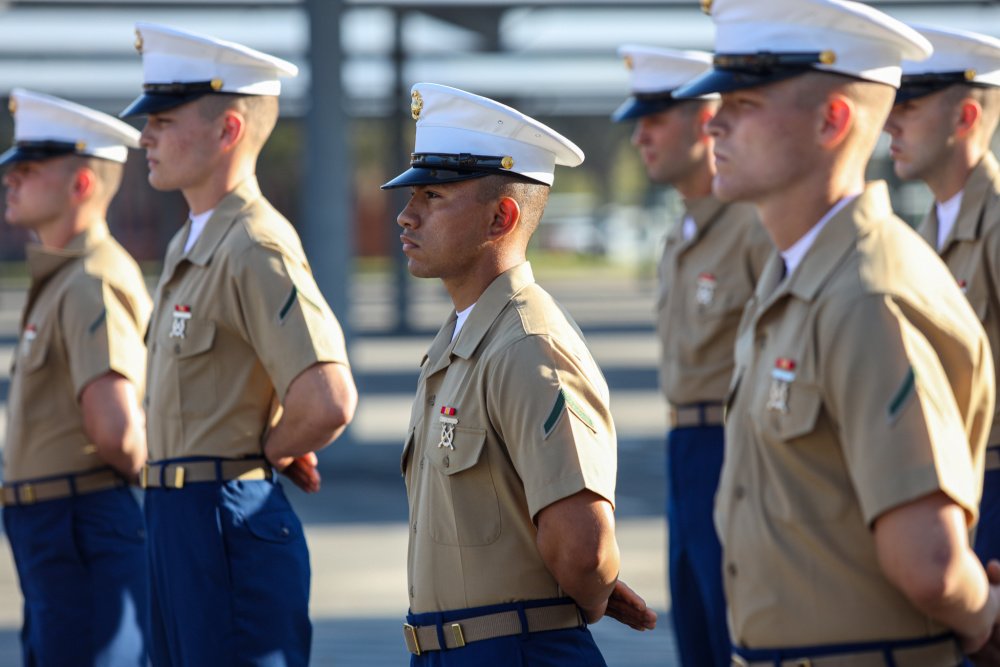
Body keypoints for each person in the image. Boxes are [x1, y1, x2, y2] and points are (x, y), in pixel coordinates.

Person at [672, 0, 1000, 663]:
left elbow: (930, 564)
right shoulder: (795, 277)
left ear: (833, 119)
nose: (716, 122)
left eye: (746, 102)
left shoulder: (868, 292)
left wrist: (984, 614)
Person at [381, 82, 657, 666]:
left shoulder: (529, 347)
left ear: (501, 216)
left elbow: (584, 549)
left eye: (433, 195)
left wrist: (582, 590)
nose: (407, 215)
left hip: (515, 652)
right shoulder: (463, 341)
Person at [120, 23, 358, 666]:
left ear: (228, 129)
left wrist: (264, 451)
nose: (146, 135)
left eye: (164, 120)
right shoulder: (192, 242)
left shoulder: (254, 243)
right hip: (178, 518)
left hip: (222, 516)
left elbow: (328, 398)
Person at [613, 44, 770, 667]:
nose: (639, 139)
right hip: (686, 454)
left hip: (734, 448)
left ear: (704, 123)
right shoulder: (682, 232)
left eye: (654, 121)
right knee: (698, 635)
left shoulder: (753, 226)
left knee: (740, 632)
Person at [1, 88, 151, 665]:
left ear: (81, 185)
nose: (11, 180)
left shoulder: (89, 278)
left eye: (29, 169)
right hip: (58, 532)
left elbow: (115, 431)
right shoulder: (66, 275)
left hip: (79, 527)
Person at [885, 25, 1000, 568]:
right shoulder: (925, 232)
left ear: (966, 117)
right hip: (952, 487)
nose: (889, 122)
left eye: (909, 106)